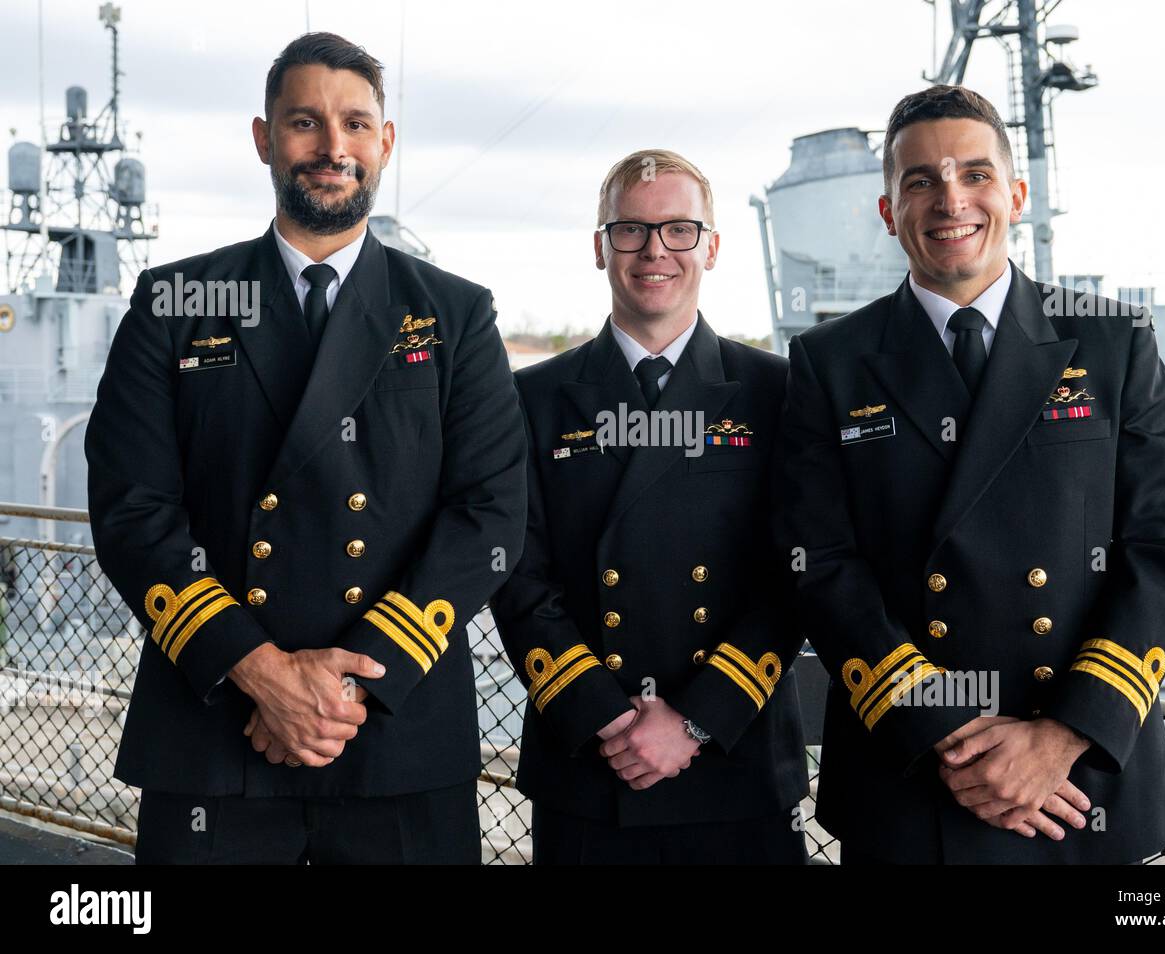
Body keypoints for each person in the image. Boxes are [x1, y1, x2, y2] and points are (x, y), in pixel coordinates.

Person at [85, 32, 526, 864]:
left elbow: (490, 512)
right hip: (216, 725)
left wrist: (344, 685)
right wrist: (262, 674)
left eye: (356, 124)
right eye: (305, 122)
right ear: (264, 139)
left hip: (394, 734)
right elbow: (131, 509)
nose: (333, 147)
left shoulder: (457, 314)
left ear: (385, 143)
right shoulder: (175, 301)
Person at [777, 85, 1165, 864]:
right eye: (920, 181)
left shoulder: (1111, 340)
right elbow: (820, 564)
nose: (951, 200)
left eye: (975, 174)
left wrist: (1062, 735)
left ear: (1014, 193)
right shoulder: (829, 362)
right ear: (887, 210)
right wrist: (951, 739)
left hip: (1079, 788)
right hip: (913, 770)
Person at [490, 149, 808, 864]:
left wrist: (695, 721)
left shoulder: (779, 392)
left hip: (735, 761)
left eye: (678, 230)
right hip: (590, 767)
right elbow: (513, 572)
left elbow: (797, 572)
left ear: (713, 247)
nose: (654, 250)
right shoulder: (534, 399)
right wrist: (603, 715)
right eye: (630, 230)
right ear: (600, 247)